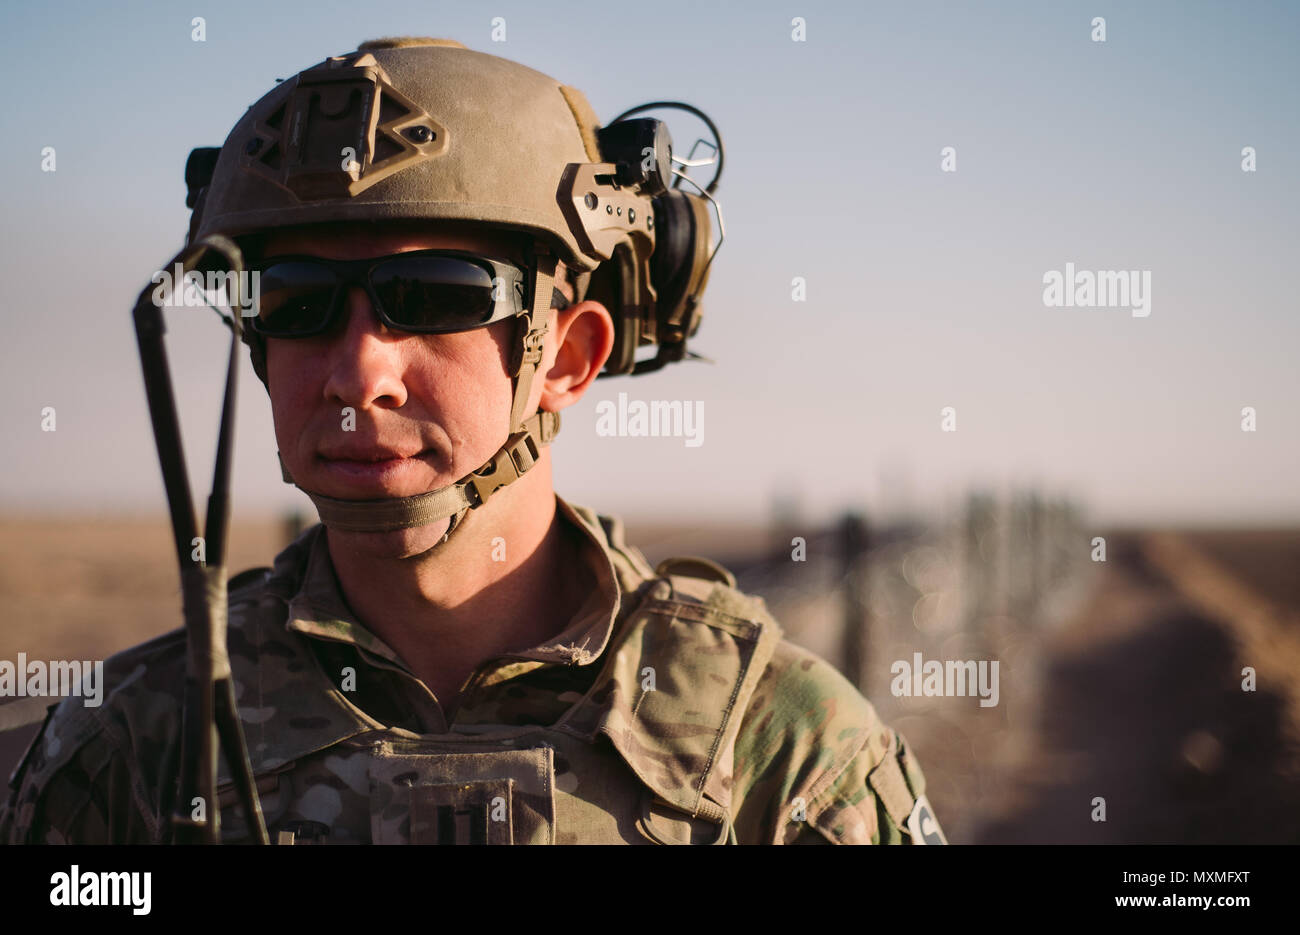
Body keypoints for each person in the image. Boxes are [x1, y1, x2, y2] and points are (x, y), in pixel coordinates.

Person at [0, 37, 943, 845]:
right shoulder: (131, 751)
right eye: (298, 304)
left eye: (436, 297)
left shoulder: (783, 753)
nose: (357, 371)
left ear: (567, 356)